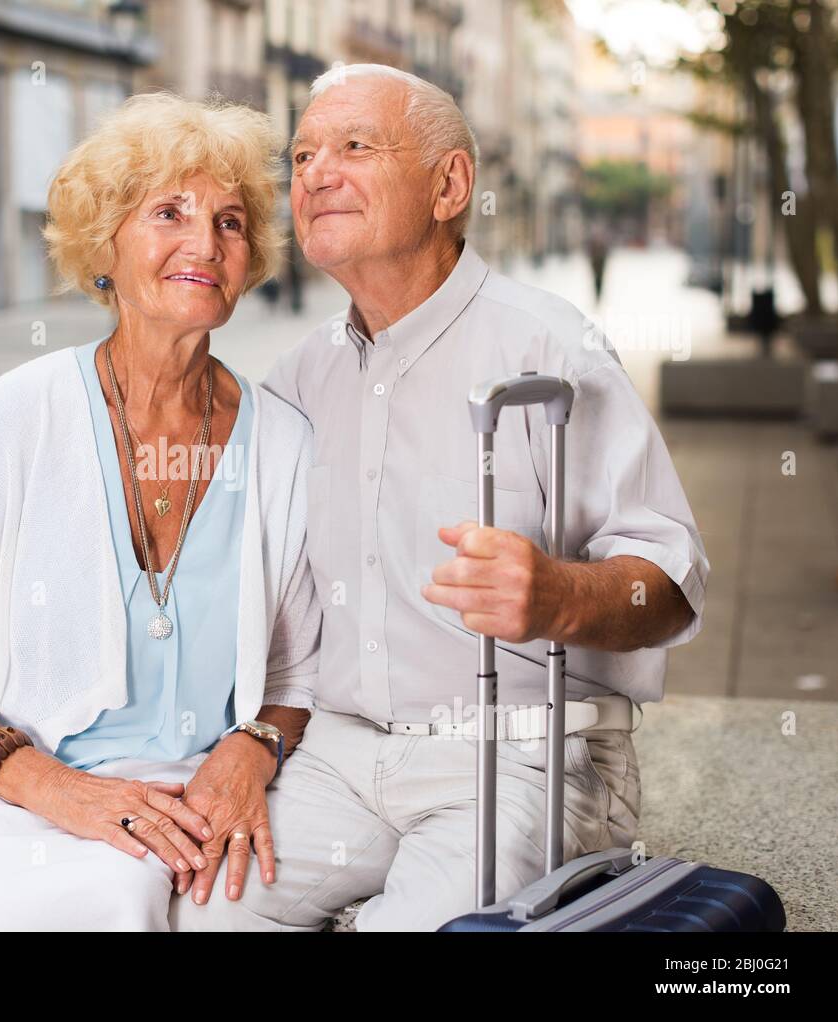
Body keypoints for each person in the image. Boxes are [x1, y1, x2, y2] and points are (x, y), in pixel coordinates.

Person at [171, 64, 710, 932]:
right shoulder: (301, 378)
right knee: (203, 915)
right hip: (338, 758)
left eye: (354, 146)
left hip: (522, 757)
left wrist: (561, 594)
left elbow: (672, 582)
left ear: (449, 184)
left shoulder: (552, 350)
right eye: (302, 155)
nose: (313, 173)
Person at [0, 92, 321, 931]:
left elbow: (297, 676)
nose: (204, 244)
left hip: (185, 796)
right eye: (168, 213)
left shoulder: (283, 442)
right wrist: (56, 788)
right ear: (105, 243)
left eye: (229, 222)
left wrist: (255, 746)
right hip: (3, 793)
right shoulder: (15, 417)